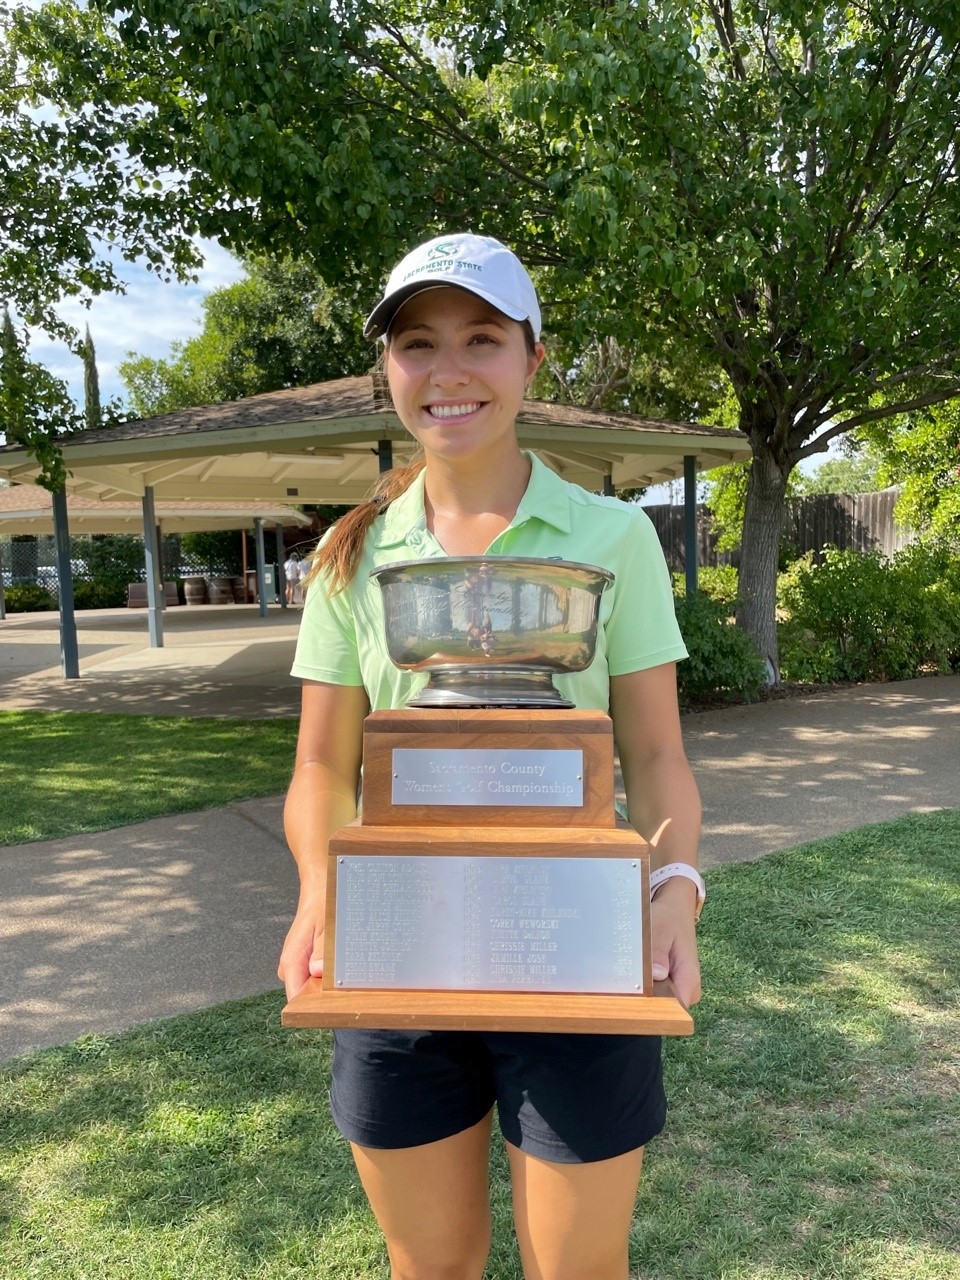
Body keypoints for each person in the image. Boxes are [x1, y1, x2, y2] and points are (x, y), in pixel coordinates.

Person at [279, 232, 703, 1280]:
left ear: (531, 359)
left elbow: (656, 751)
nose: (449, 369)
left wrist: (675, 886)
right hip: (396, 946)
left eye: (481, 338)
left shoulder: (613, 537)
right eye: (417, 343)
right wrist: (322, 887)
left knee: (579, 1268)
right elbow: (321, 768)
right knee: (429, 1265)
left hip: (579, 945)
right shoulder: (351, 552)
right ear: (388, 368)